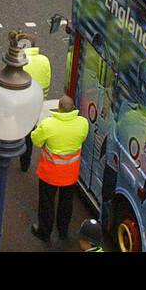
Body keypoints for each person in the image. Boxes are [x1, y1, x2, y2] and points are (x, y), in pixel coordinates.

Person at [29, 95, 90, 243]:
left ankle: (44, 232)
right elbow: (82, 139)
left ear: (59, 108)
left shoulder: (49, 125)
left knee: (46, 204)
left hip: (49, 173)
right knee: (66, 204)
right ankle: (63, 231)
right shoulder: (82, 123)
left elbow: (35, 140)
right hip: (70, 174)